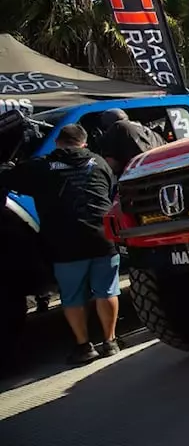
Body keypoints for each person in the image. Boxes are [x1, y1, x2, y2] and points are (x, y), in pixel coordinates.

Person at [0, 124, 120, 364]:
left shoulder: (40, 166)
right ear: (84, 143)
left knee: (72, 296)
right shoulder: (99, 162)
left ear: (58, 142)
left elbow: (8, 178)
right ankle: (110, 342)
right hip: (102, 237)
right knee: (107, 290)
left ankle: (84, 347)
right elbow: (109, 191)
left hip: (65, 242)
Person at [97, 108, 166, 177]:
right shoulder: (147, 130)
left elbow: (112, 165)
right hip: (164, 170)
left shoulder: (118, 127)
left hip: (143, 175)